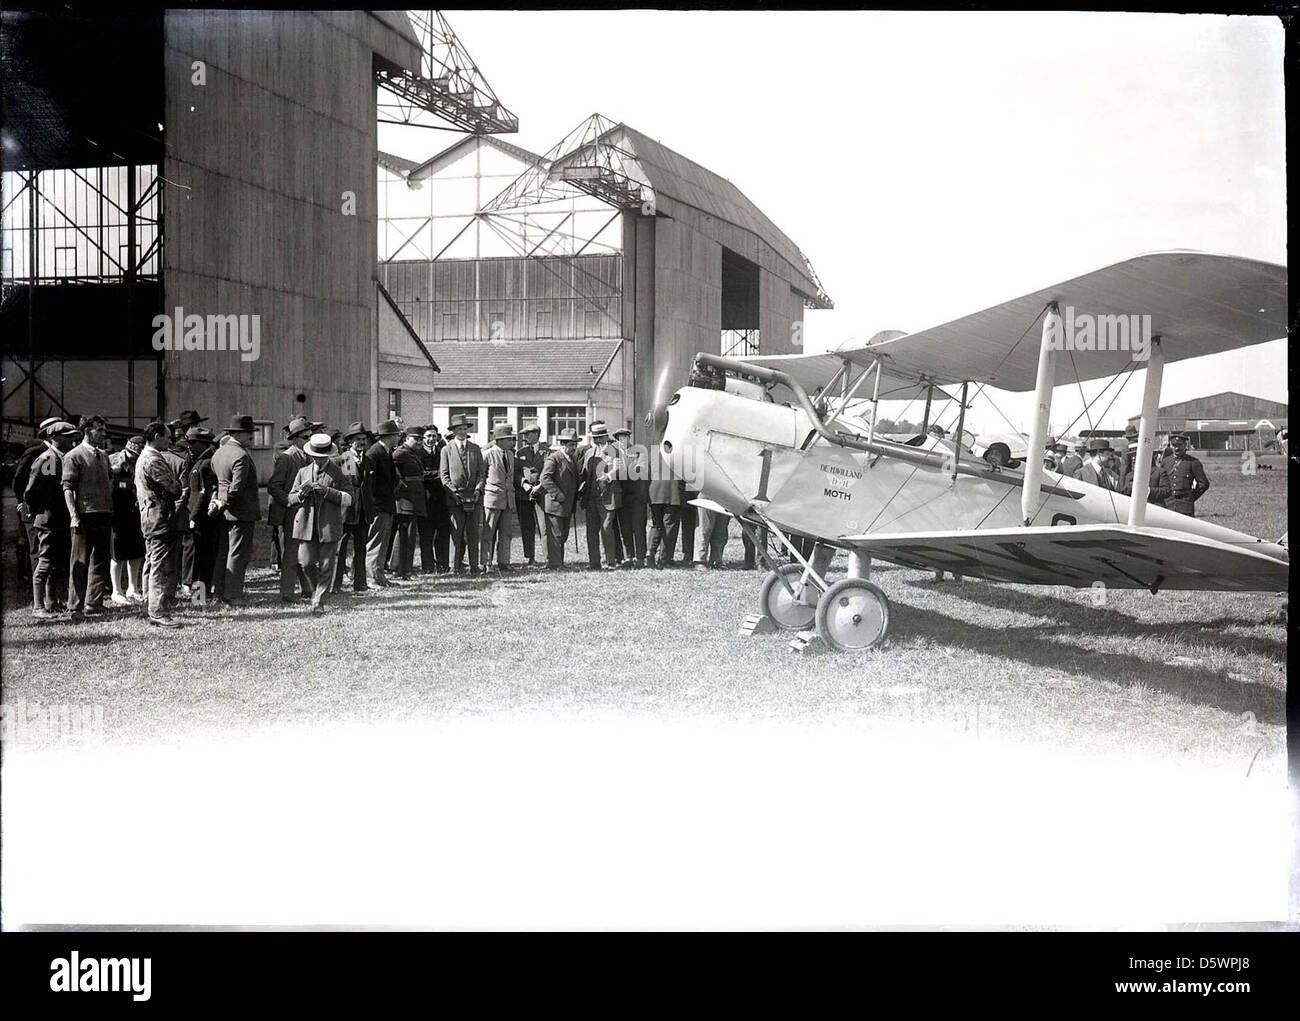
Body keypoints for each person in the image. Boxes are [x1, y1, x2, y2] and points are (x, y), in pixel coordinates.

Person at [288, 433, 353, 615]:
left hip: (329, 526)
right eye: (314, 456)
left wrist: (327, 491)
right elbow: (290, 498)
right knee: (306, 563)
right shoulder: (303, 472)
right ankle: (319, 591)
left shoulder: (340, 472)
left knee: (326, 566)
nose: (317, 459)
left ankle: (318, 601)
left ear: (327, 456)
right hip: (306, 525)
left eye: (321, 456)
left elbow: (349, 498)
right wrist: (301, 494)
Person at [61, 415, 115, 620]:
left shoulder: (103, 456)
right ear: (87, 431)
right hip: (84, 516)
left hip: (103, 514)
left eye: (104, 430)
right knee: (80, 561)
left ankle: (93, 603)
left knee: (101, 559)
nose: (103, 434)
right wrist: (74, 516)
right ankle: (75, 607)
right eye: (99, 430)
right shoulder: (73, 456)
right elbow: (68, 489)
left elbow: (109, 480)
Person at [24, 421, 78, 618]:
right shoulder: (48, 460)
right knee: (45, 561)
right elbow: (32, 490)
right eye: (68, 436)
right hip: (49, 519)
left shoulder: (63, 458)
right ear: (55, 438)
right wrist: (38, 509)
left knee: (56, 563)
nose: (73, 439)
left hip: (60, 519)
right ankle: (38, 607)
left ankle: (52, 602)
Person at [134, 423, 184, 628]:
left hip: (150, 516)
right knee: (160, 564)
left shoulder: (144, 456)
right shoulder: (153, 459)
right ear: (156, 436)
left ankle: (149, 606)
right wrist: (178, 485)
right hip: (159, 517)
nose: (170, 441)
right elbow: (174, 488)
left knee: (151, 561)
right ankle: (158, 610)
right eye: (167, 437)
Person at [209, 414, 261, 606]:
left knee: (224, 552)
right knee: (238, 553)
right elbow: (237, 489)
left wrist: (218, 503)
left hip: (223, 512)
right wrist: (226, 501)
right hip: (240, 512)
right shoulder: (240, 455)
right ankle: (233, 594)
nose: (252, 437)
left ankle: (218, 591)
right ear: (237, 434)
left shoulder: (219, 453)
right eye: (248, 433)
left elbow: (217, 481)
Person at [268, 416, 313, 603]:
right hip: (291, 513)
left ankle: (307, 589)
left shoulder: (309, 456)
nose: (308, 441)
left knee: (305, 552)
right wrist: (291, 499)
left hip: (307, 512)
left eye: (310, 437)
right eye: (304, 437)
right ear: (294, 439)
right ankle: (287, 593)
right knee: (291, 554)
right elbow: (273, 486)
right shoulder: (287, 458)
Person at [440, 413, 485, 575]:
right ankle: (454, 566)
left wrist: (479, 490)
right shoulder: (446, 450)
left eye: (464, 428)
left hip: (474, 497)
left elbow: (481, 473)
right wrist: (453, 492)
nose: (462, 431)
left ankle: (474, 565)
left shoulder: (475, 448)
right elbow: (444, 476)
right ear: (453, 431)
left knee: (473, 533)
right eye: (459, 429)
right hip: (455, 498)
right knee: (456, 533)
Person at [578, 422, 622, 570]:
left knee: (606, 528)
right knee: (591, 530)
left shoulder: (614, 450)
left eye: (599, 437)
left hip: (608, 496)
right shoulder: (589, 453)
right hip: (591, 497)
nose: (597, 440)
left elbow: (618, 468)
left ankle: (610, 562)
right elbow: (584, 473)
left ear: (605, 436)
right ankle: (594, 562)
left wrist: (608, 477)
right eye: (594, 437)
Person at [108, 435, 146, 606]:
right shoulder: (112, 461)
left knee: (136, 552)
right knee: (118, 553)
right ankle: (117, 591)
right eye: (131, 456)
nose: (133, 459)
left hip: (136, 512)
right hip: (117, 512)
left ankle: (133, 588)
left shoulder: (141, 461)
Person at [363, 419, 401, 587]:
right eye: (396, 435)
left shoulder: (385, 452)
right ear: (389, 436)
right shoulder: (374, 453)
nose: (398, 438)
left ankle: (379, 575)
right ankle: (370, 578)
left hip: (387, 505)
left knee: (383, 541)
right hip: (378, 506)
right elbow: (369, 486)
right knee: (375, 542)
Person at [184, 427, 220, 601]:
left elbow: (202, 494)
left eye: (192, 443)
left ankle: (200, 597)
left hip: (202, 519)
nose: (189, 446)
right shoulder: (199, 462)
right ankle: (199, 596)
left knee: (202, 558)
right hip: (198, 518)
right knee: (198, 557)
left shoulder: (206, 463)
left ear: (204, 444)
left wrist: (193, 517)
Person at [333, 422, 369, 592]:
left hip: (363, 511)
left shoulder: (368, 459)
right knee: (340, 548)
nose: (361, 442)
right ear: (350, 442)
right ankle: (335, 584)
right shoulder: (343, 459)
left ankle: (360, 583)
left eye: (363, 439)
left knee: (361, 548)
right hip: (346, 511)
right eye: (358, 439)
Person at [390, 426, 428, 581]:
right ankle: (402, 570)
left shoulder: (412, 453)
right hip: (406, 499)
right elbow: (391, 471)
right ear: (406, 438)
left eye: (420, 439)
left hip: (414, 498)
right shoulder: (400, 453)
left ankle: (403, 569)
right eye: (416, 439)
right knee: (406, 535)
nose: (419, 442)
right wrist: (399, 485)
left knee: (408, 535)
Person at [539, 427, 579, 569]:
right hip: (555, 503)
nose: (574, 448)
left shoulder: (571, 459)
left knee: (563, 534)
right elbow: (544, 478)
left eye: (575, 444)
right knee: (556, 535)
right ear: (563, 444)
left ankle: (558, 562)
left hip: (567, 505)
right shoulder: (554, 458)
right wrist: (558, 494)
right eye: (571, 445)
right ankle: (555, 564)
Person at [481, 423, 518, 571]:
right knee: (488, 533)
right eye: (509, 439)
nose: (512, 442)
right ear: (499, 440)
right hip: (492, 499)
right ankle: (486, 563)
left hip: (508, 500)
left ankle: (504, 562)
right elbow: (481, 476)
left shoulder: (510, 455)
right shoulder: (488, 454)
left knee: (506, 534)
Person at [613, 426, 649, 568]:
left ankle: (641, 557)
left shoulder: (640, 451)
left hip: (637, 496)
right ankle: (629, 556)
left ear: (629, 438)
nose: (623, 440)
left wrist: (622, 471)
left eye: (625, 437)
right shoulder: (615, 454)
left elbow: (639, 470)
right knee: (625, 528)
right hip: (622, 496)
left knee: (639, 527)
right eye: (619, 438)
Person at [1153, 433, 1210, 516]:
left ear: (1185, 445)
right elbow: (1160, 481)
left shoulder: (1193, 462)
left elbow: (1203, 484)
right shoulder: (1165, 462)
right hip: (1168, 504)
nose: (1177, 448)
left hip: (1185, 506)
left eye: (1180, 445)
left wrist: (1190, 498)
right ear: (1171, 446)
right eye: (1174, 445)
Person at [514, 421, 546, 566]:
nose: (525, 437)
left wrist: (539, 486)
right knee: (527, 527)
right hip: (524, 495)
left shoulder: (547, 451)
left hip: (542, 494)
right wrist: (524, 484)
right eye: (524, 435)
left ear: (536, 435)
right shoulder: (520, 453)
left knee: (543, 526)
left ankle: (548, 557)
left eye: (528, 434)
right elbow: (516, 473)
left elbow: (549, 473)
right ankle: (530, 557)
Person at [647, 442, 684, 568]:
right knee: (669, 526)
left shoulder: (653, 451)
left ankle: (650, 553)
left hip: (654, 493)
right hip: (672, 494)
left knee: (656, 525)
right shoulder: (680, 452)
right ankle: (664, 559)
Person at [419, 426, 448, 573]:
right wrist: (440, 475)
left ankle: (442, 563)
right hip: (426, 499)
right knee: (426, 534)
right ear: (423, 438)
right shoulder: (418, 453)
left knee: (442, 532)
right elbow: (420, 474)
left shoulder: (442, 452)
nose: (431, 439)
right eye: (428, 436)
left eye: (434, 436)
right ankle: (428, 566)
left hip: (441, 500)